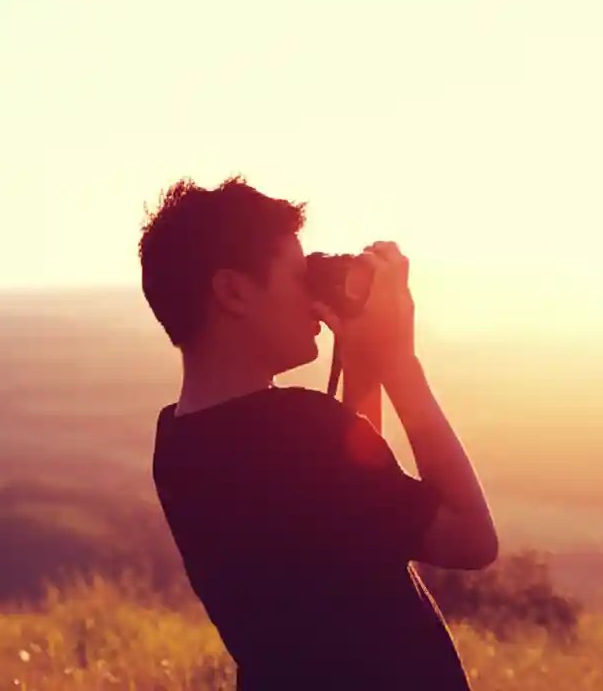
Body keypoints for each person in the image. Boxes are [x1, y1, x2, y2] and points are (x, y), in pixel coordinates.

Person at [139, 176, 498, 690]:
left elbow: (350, 511)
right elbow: (473, 539)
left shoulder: (177, 444)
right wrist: (399, 362)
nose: (312, 301)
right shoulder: (300, 432)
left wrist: (362, 369)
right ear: (233, 291)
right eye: (297, 276)